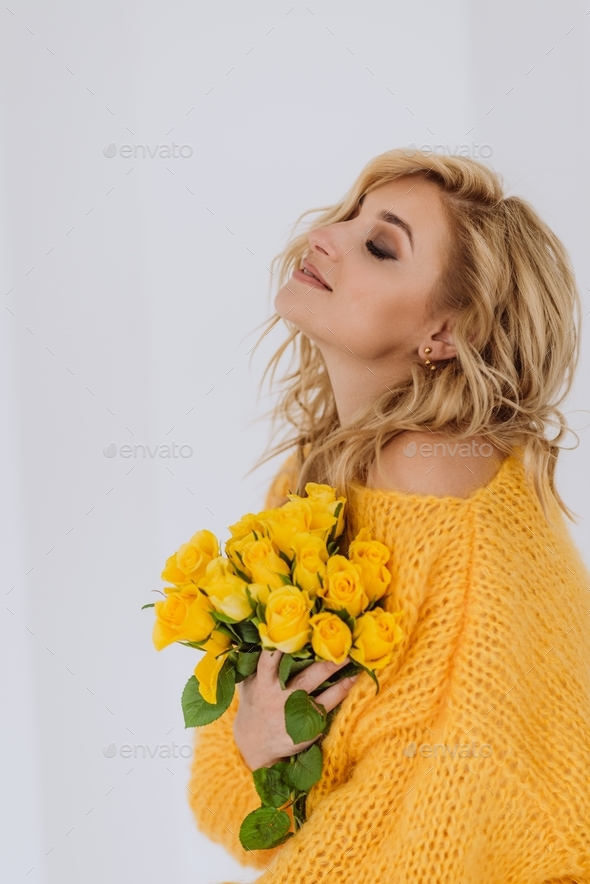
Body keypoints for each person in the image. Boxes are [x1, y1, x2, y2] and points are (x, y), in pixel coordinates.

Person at [186, 148, 590, 883]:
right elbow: (235, 805)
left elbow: (423, 831)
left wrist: (261, 754)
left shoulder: (437, 485)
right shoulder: (314, 476)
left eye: (381, 244)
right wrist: (258, 740)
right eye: (347, 214)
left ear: (446, 332)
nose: (325, 236)